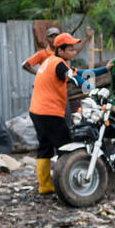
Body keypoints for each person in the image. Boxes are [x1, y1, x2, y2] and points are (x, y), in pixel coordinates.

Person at [29, 33, 80, 196]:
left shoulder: (50, 61)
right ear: (61, 50)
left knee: (44, 147)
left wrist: (104, 70)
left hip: (37, 111)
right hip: (49, 113)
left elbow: (82, 72)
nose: (75, 52)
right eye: (71, 49)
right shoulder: (60, 64)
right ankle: (66, 185)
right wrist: (91, 89)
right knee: (66, 147)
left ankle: (45, 186)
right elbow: (76, 79)